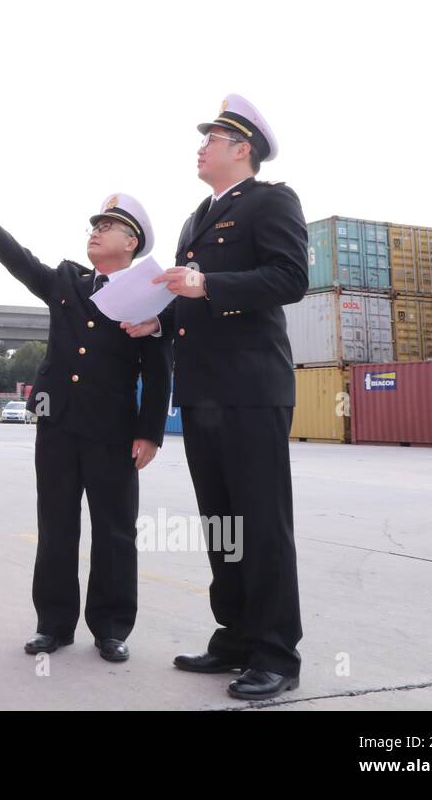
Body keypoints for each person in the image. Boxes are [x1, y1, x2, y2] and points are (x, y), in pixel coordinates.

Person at [123, 94, 308, 700]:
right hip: (202, 394)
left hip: (252, 391)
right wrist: (159, 323)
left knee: (263, 522)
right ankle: (234, 636)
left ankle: (276, 654)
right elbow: (191, 299)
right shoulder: (195, 218)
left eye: (212, 138)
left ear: (242, 148)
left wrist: (209, 283)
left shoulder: (271, 201)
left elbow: (290, 278)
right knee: (223, 522)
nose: (200, 146)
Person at [0, 187, 172, 662]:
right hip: (56, 423)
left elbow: (158, 370)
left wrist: (149, 432)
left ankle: (111, 628)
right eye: (93, 225)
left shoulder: (149, 297)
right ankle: (53, 624)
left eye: (106, 226)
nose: (95, 231)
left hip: (113, 432)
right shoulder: (68, 280)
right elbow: (24, 265)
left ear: (131, 242)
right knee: (56, 526)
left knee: (115, 531)